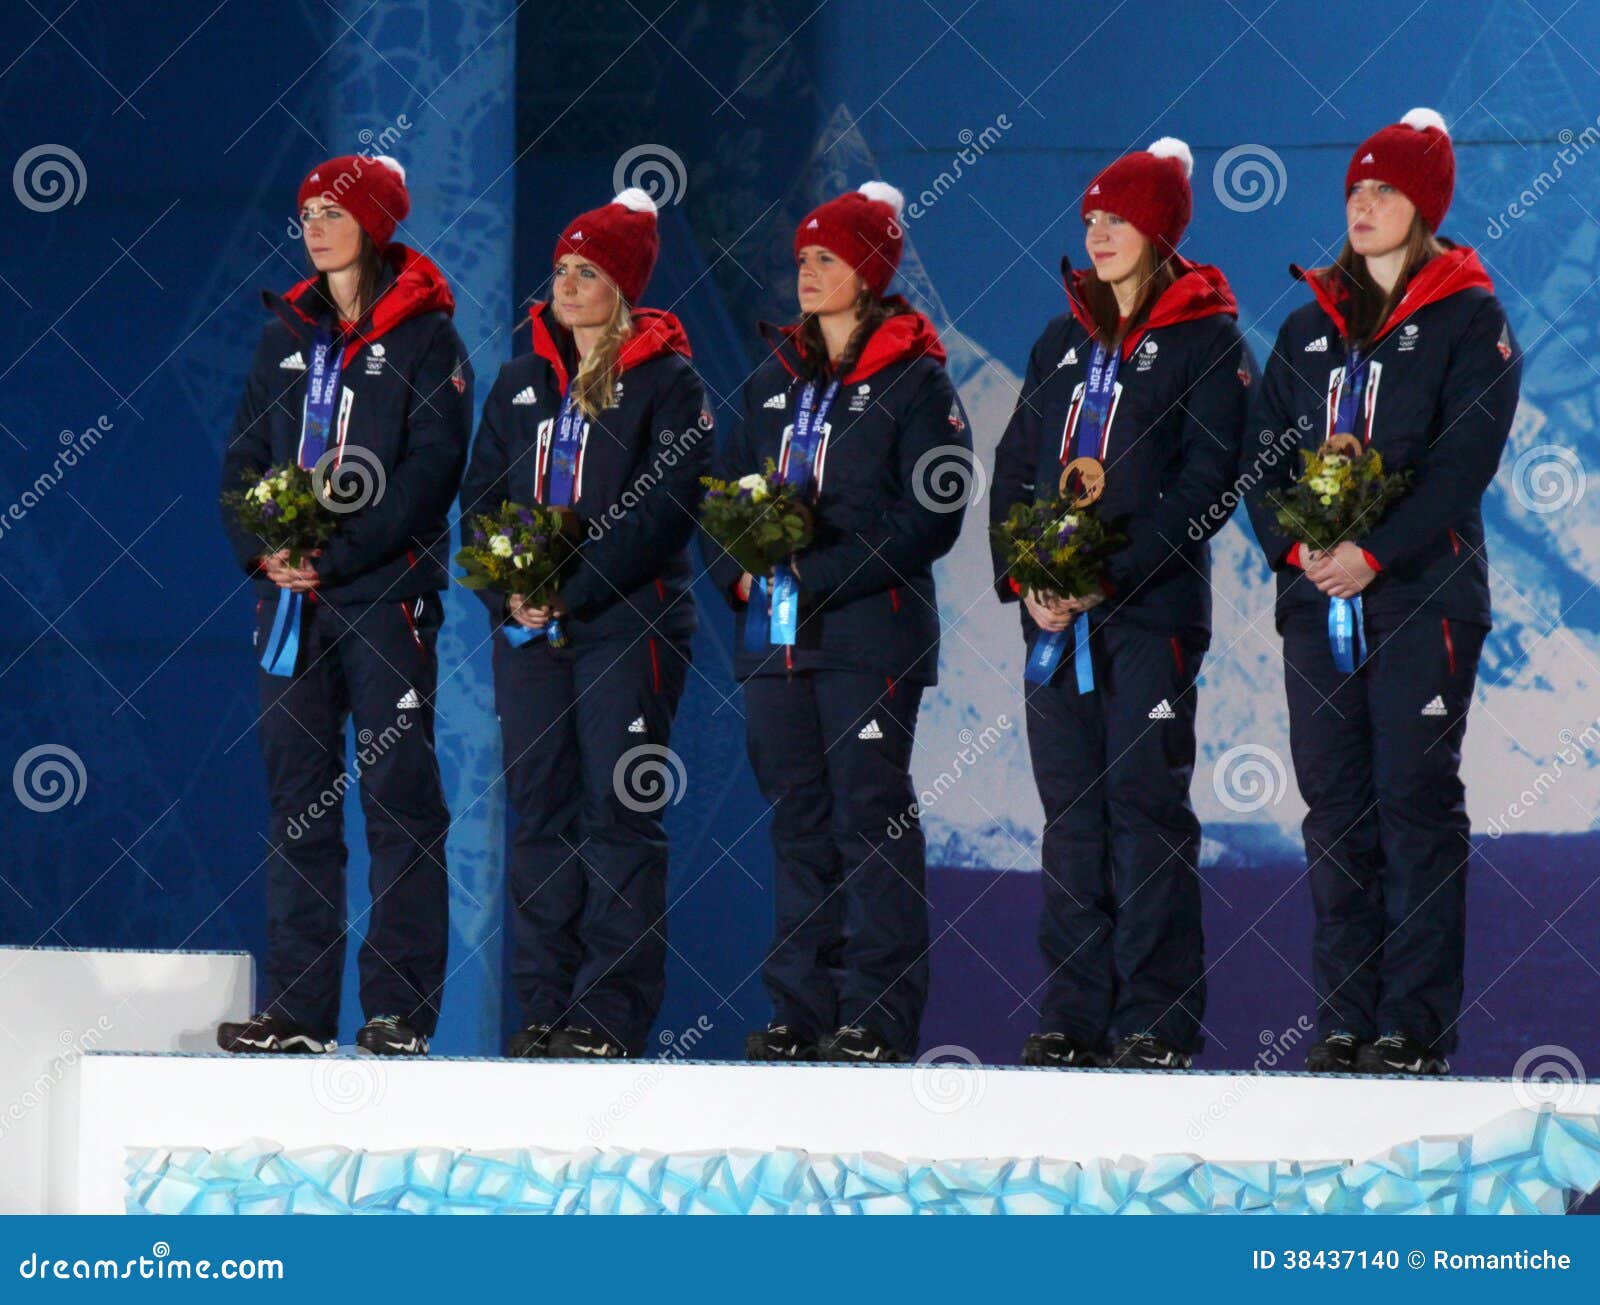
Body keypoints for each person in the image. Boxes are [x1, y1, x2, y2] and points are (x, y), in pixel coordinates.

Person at [1244, 109, 1521, 1076]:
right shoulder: (1304, 328)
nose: (1362, 207)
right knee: (1335, 810)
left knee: (1413, 803)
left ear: (1426, 206)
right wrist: (1297, 549)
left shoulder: (1470, 320)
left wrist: (1374, 552)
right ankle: (1344, 1021)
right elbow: (1262, 461)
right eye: (1355, 191)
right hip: (1316, 601)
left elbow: (1462, 465)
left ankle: (1411, 1027)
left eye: (1386, 192)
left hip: (1421, 597)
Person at [990, 138, 1255, 1071]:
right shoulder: (1060, 341)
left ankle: (1154, 1020)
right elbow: (1015, 469)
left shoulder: (1207, 339)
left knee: (1143, 809)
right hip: (1056, 618)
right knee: (1071, 814)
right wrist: (1027, 578)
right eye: (1092, 219)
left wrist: (1113, 574)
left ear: (1161, 229)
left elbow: (1211, 482)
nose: (1099, 234)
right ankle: (1073, 1016)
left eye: (1119, 219)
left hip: (1149, 613)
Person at [707, 182, 970, 1065]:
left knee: (869, 817)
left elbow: (930, 516)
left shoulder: (916, 380)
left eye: (828, 258)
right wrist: (738, 571)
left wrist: (812, 575)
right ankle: (800, 1010)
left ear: (869, 271)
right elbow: (719, 496)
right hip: (776, 642)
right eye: (803, 259)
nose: (808, 272)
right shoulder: (771, 381)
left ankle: (876, 1016)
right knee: (798, 820)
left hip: (868, 636)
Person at [218, 153, 472, 1056]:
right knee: (299, 800)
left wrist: (334, 554)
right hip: (291, 603)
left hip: (382, 598)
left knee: (399, 798)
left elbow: (430, 473)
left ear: (374, 224)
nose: (315, 227)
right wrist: (265, 549)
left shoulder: (428, 338)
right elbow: (243, 462)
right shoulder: (284, 333)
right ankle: (297, 1009)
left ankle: (398, 1009)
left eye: (333, 211)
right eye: (308, 212)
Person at [460, 189, 709, 1060]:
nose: (565, 285)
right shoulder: (521, 379)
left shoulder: (668, 383)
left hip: (626, 624)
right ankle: (541, 1009)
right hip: (530, 631)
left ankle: (607, 1015)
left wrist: (571, 587)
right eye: (561, 269)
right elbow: (481, 496)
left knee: (618, 813)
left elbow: (664, 511)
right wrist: (510, 592)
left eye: (587, 272)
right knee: (539, 812)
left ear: (624, 286)